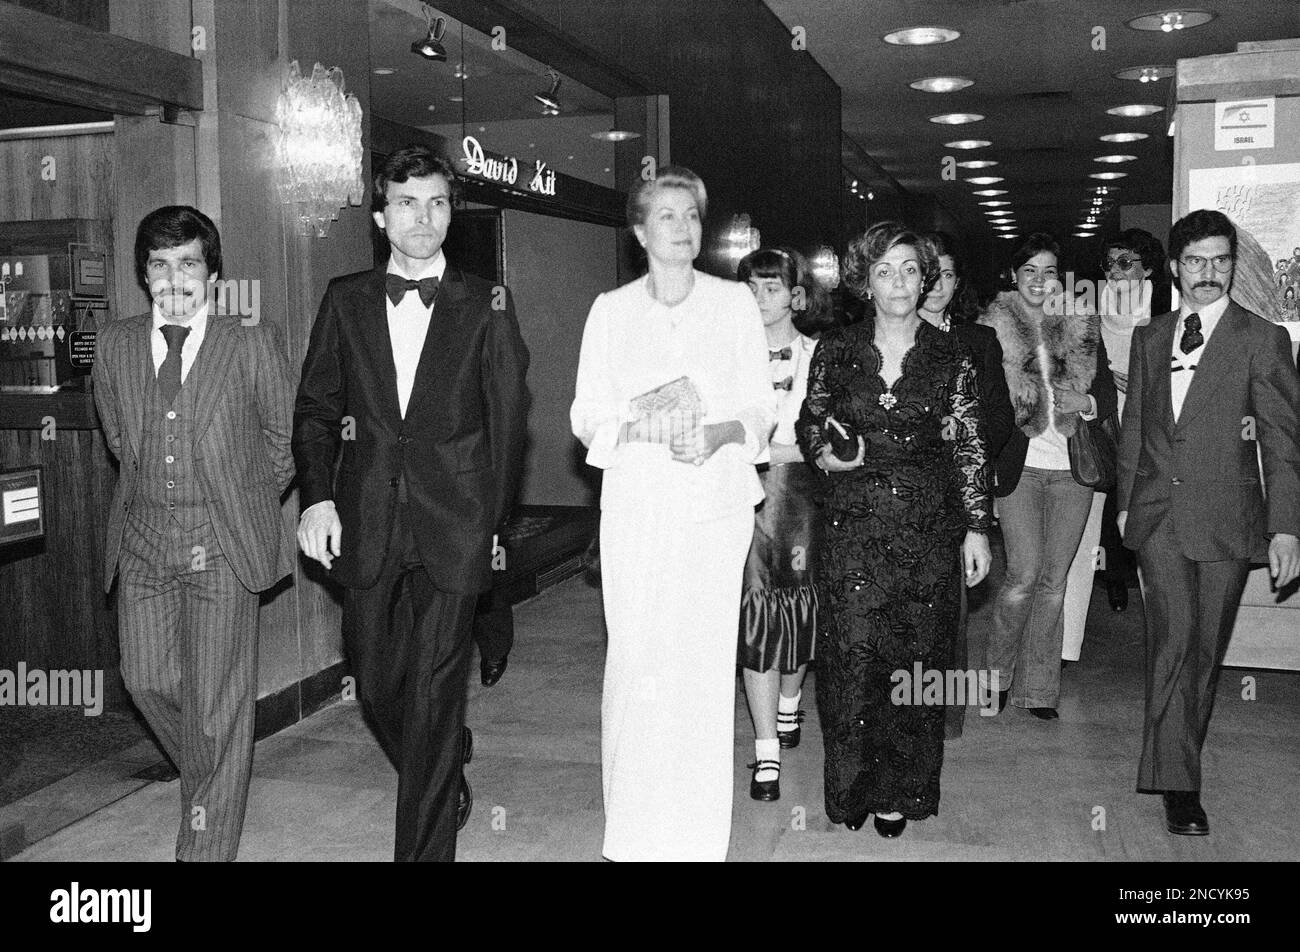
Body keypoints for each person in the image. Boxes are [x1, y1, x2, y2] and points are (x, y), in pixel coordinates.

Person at [294, 145, 530, 862]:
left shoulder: (487, 301)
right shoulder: (345, 298)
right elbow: (314, 409)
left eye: (435, 202)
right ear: (380, 215)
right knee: (374, 680)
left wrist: (489, 522)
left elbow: (510, 419)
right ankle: (441, 755)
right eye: (406, 202)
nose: (422, 217)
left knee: (430, 690)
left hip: (453, 522)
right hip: (366, 518)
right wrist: (317, 500)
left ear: (450, 214)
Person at [571, 166, 773, 861]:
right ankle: (632, 836)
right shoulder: (610, 309)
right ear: (639, 231)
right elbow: (585, 413)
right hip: (638, 509)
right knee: (636, 663)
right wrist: (642, 425)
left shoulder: (735, 304)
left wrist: (718, 433)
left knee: (701, 669)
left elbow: (759, 408)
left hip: (715, 508)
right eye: (666, 215)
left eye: (691, 215)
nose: (682, 227)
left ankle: (694, 840)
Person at [91, 206, 296, 861]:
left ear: (211, 273)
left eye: (187, 263)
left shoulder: (249, 342)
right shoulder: (116, 343)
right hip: (144, 544)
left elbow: (283, 441)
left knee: (217, 706)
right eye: (159, 264)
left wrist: (238, 499)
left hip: (222, 549)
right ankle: (216, 772)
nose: (173, 277)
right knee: (146, 680)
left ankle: (203, 849)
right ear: (143, 275)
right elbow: (120, 438)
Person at [796, 221, 992, 837]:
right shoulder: (836, 349)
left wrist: (977, 527)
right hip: (852, 525)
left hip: (927, 528)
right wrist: (827, 455)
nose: (899, 281)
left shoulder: (949, 354)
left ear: (925, 276)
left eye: (909, 268)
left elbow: (968, 444)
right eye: (885, 270)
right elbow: (811, 421)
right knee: (852, 660)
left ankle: (900, 792)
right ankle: (852, 789)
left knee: (914, 662)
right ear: (865, 282)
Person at [1117, 209, 1300, 836]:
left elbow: (1281, 441)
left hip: (1227, 519)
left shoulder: (1262, 338)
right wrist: (1123, 503)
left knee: (1203, 651)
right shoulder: (1151, 336)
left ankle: (1175, 762)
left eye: (1220, 261)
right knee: (1173, 638)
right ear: (1174, 268)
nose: (1208, 274)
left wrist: (1287, 526)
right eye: (1195, 261)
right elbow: (1135, 429)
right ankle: (1179, 785)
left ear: (1233, 266)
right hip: (1159, 517)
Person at [981, 233, 1116, 719]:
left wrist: (1091, 403)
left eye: (1049, 271)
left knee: (1054, 583)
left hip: (1072, 471)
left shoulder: (1081, 324)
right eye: (1029, 271)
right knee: (1022, 576)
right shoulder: (991, 329)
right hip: (1020, 468)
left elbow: (1107, 397)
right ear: (1013, 276)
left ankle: (1038, 690)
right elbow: (982, 407)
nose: (1040, 281)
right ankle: (996, 677)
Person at [736, 247, 829, 801]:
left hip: (805, 499)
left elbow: (834, 435)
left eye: (771, 287)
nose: (760, 299)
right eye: (750, 287)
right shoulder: (725, 355)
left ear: (795, 294)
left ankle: (791, 705)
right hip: (745, 498)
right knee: (757, 613)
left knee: (803, 607)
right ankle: (765, 750)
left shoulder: (823, 356)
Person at [920, 232, 1014, 739]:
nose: (936, 285)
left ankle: (943, 715)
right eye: (927, 273)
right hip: (899, 491)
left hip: (958, 489)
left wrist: (964, 443)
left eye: (948, 275)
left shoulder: (978, 341)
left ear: (959, 284)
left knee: (950, 609)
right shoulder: (881, 339)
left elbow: (999, 414)